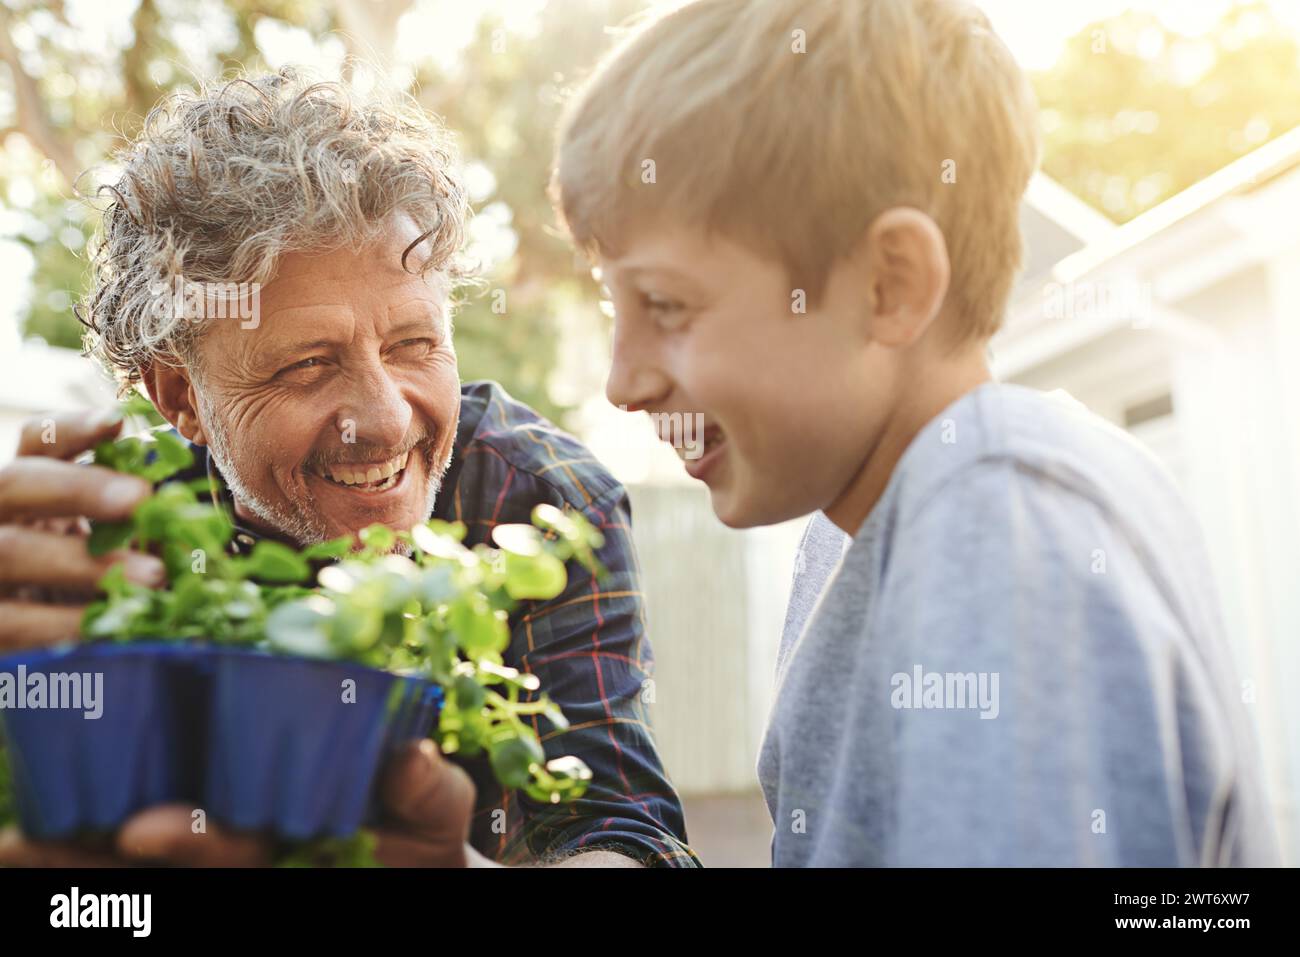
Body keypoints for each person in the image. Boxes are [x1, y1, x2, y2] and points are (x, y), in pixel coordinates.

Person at [551, 0, 1278, 866]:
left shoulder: (999, 535)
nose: (623, 380)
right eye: (613, 306)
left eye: (665, 305)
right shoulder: (859, 532)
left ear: (889, 286)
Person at [0, 69, 696, 868]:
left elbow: (624, 836)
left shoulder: (536, 499)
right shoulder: (109, 525)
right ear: (179, 395)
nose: (388, 418)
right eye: (306, 364)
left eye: (414, 344)